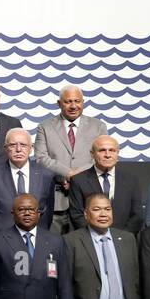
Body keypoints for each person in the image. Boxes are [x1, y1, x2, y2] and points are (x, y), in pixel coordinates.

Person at [33, 86, 108, 232]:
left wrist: (77, 177)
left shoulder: (98, 126)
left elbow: (101, 158)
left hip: (87, 200)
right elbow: (41, 158)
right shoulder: (45, 127)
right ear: (59, 103)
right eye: (68, 102)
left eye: (77, 101)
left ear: (83, 102)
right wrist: (67, 174)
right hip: (56, 200)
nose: (73, 106)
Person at [0, 128, 57, 234]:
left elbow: (47, 215)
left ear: (31, 148)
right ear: (5, 148)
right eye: (13, 145)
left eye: (23, 145)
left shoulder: (46, 176)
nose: (18, 149)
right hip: (1, 240)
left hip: (36, 240)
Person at [67, 135, 144, 234]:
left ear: (117, 153)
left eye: (112, 150)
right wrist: (96, 236)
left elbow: (137, 216)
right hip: (91, 240)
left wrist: (120, 238)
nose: (108, 155)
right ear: (92, 154)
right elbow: (77, 215)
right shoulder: (78, 180)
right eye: (102, 150)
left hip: (123, 241)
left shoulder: (131, 180)